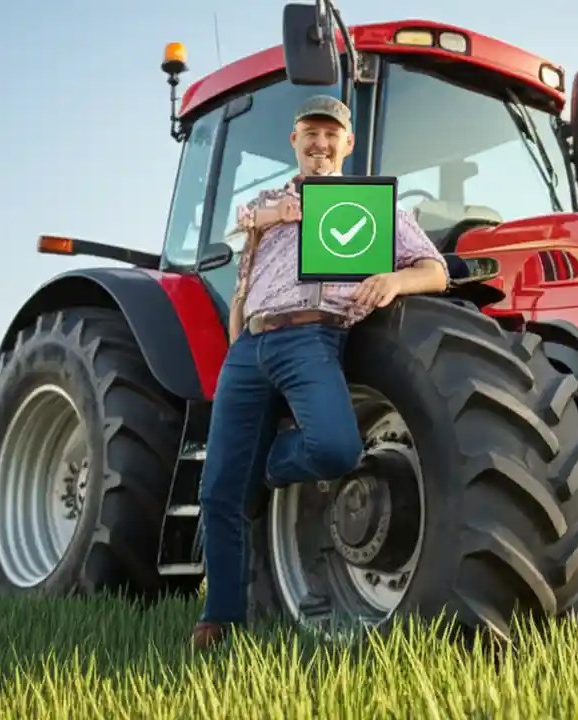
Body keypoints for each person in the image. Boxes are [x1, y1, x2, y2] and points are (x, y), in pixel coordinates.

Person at [190, 94, 449, 650]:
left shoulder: (371, 206)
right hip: (251, 346)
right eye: (310, 132)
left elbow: (436, 269)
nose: (320, 143)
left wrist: (396, 282)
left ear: (347, 144)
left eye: (332, 134)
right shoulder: (264, 205)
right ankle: (221, 619)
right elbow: (242, 248)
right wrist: (240, 334)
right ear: (295, 140)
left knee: (335, 449)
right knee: (217, 492)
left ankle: (265, 466)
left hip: (312, 337)